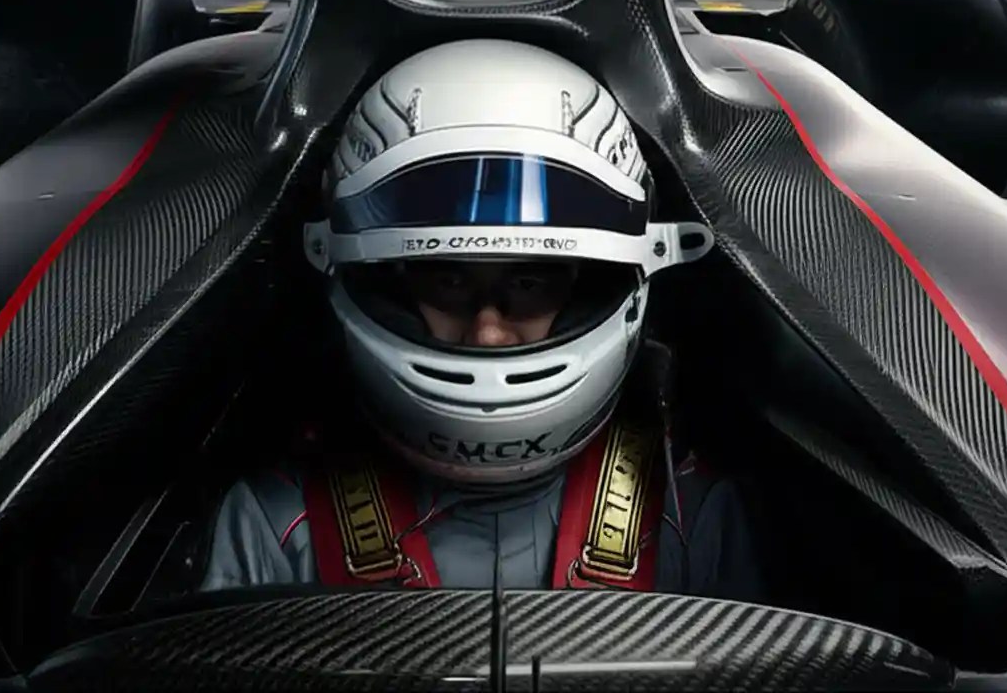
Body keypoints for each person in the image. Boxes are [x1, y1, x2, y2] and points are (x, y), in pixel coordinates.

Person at [200, 38, 763, 597]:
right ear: (371, 282)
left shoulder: (692, 521)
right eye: (447, 280)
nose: (487, 333)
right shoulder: (275, 523)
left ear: (601, 285)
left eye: (528, 282)